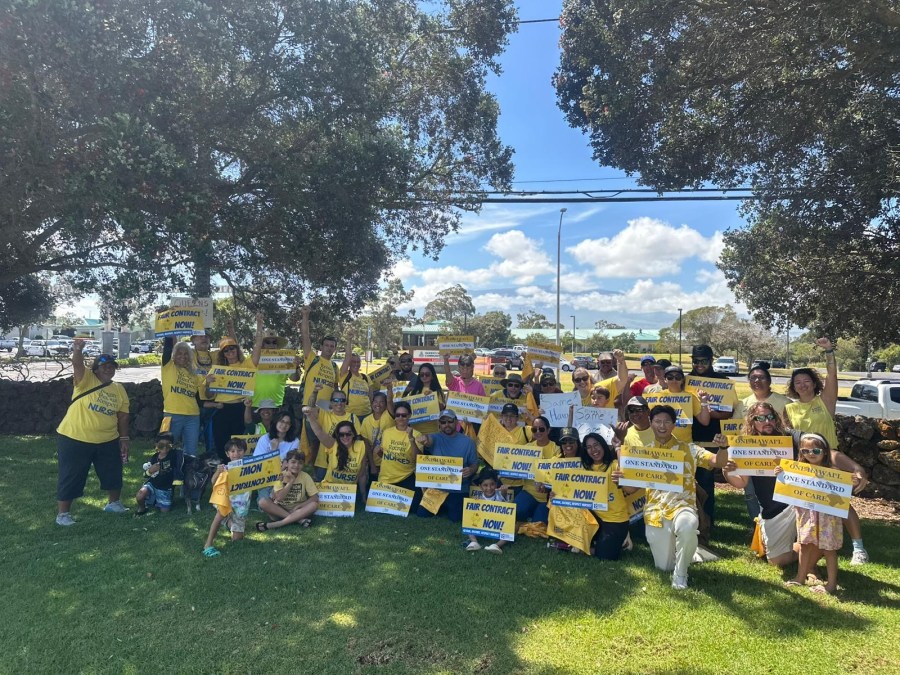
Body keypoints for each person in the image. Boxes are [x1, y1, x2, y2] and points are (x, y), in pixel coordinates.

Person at [613, 405, 727, 590]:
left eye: (667, 421)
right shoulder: (644, 453)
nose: (662, 426)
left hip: (683, 505)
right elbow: (630, 488)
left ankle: (681, 574)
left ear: (674, 425)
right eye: (658, 421)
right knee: (664, 566)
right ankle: (691, 552)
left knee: (687, 527)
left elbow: (718, 461)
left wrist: (723, 447)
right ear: (651, 424)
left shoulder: (690, 449)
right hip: (656, 513)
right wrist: (621, 478)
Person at [785, 337, 869, 564]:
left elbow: (832, 377)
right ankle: (812, 545)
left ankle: (859, 549)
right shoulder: (789, 408)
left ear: (814, 383)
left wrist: (829, 352)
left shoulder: (825, 401)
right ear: (793, 386)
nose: (802, 385)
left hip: (829, 458)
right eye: (797, 382)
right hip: (804, 464)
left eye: (806, 381)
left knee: (840, 503)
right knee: (806, 506)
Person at [56, 341, 131, 526]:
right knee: (72, 475)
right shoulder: (86, 380)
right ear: (96, 369)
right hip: (75, 437)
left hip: (107, 439)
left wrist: (124, 438)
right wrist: (77, 350)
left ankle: (114, 503)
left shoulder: (118, 389)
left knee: (113, 472)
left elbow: (123, 416)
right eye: (104, 366)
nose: (109, 369)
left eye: (112, 366)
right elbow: (77, 364)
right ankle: (63, 514)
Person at [780, 434, 852, 594]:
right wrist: (780, 474)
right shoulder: (797, 470)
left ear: (825, 451)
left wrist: (851, 481)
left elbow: (841, 493)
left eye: (816, 450)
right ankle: (800, 578)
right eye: (805, 451)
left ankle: (831, 584)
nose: (811, 454)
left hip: (828, 518)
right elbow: (787, 487)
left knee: (829, 549)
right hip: (806, 515)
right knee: (805, 545)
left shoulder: (834, 472)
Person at [688, 344, 732, 532]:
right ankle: (690, 520)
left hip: (711, 440)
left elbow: (727, 413)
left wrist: (704, 412)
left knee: (706, 483)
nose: (699, 364)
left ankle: (707, 523)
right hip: (688, 439)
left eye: (704, 361)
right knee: (687, 482)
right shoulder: (686, 380)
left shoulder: (723, 381)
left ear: (711, 360)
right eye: (696, 361)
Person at [414, 409, 478, 522]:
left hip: (458, 489)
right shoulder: (435, 437)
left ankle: (445, 506)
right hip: (437, 489)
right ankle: (442, 506)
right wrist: (425, 439)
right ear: (439, 424)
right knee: (422, 514)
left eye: (450, 421)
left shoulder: (468, 442)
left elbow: (475, 464)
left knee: (456, 518)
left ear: (456, 421)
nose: (446, 425)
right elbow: (428, 440)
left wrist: (471, 470)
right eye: (443, 422)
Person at [298, 305, 338, 466]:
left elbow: (335, 389)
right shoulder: (312, 359)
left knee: (323, 442)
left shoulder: (334, 366)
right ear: (321, 347)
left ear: (335, 349)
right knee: (309, 442)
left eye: (332, 346)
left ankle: (319, 470)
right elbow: (305, 336)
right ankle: (308, 470)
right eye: (326, 345)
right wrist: (305, 316)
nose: (329, 348)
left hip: (326, 411)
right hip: (311, 407)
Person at [582, 433, 630, 560]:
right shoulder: (585, 468)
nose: (593, 450)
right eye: (589, 447)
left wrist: (618, 447)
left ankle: (620, 542)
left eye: (596, 445)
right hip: (593, 517)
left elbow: (626, 469)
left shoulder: (614, 465)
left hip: (615, 520)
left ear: (603, 445)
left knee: (604, 556)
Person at [206, 333, 252, 462]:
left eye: (232, 348)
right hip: (222, 408)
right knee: (221, 441)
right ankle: (224, 468)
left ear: (237, 349)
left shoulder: (245, 365)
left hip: (240, 407)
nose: (230, 351)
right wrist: (208, 383)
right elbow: (209, 395)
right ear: (223, 354)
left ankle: (239, 467)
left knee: (239, 441)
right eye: (226, 350)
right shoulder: (217, 370)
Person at [202, 438, 251, 556]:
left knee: (237, 538)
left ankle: (228, 522)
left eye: (239, 450)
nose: (236, 454)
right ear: (227, 454)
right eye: (232, 451)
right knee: (219, 517)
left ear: (244, 452)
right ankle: (208, 544)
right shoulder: (225, 468)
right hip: (226, 501)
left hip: (241, 506)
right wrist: (218, 472)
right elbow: (213, 482)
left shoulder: (250, 467)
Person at [160, 338, 205, 459]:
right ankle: (162, 470)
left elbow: (201, 396)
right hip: (172, 414)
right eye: (179, 353)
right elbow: (167, 347)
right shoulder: (168, 366)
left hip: (192, 416)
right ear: (174, 355)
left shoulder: (195, 374)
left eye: (186, 354)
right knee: (165, 448)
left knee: (191, 452)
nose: (183, 356)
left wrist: (209, 382)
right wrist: (170, 331)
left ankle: (187, 470)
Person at [307, 412, 369, 499]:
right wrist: (310, 416)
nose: (345, 437)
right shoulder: (332, 444)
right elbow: (319, 432)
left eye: (348, 434)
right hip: (330, 489)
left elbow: (362, 474)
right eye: (341, 434)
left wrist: (363, 496)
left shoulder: (361, 446)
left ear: (353, 434)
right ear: (337, 435)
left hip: (348, 492)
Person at [256, 449, 318, 531]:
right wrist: (291, 481)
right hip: (280, 510)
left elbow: (314, 498)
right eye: (293, 462)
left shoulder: (305, 476)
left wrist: (299, 506)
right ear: (287, 463)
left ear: (303, 465)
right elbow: (279, 498)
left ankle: (275, 524)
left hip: (298, 510)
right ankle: (299, 520)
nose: (296, 465)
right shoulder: (280, 475)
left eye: (300, 463)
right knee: (262, 502)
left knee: (314, 505)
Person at [307, 385, 358, 482]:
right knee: (321, 489)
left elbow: (357, 440)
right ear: (331, 402)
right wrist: (315, 392)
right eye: (336, 400)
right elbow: (310, 407)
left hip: (345, 462)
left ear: (346, 402)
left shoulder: (353, 417)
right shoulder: (324, 414)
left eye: (342, 400)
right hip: (324, 463)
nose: (339, 403)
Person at [250, 313, 301, 408]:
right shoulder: (255, 358)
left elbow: (295, 379)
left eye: (274, 342)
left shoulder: (285, 360)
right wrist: (259, 324)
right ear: (262, 344)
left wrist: (296, 366)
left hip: (276, 405)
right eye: (268, 342)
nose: (271, 345)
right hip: (255, 404)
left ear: (277, 345)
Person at [373, 400, 421, 499]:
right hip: (387, 478)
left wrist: (411, 439)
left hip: (406, 477)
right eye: (397, 415)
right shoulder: (387, 432)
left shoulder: (417, 434)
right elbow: (385, 455)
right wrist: (379, 453)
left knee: (413, 505)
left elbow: (417, 459)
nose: (400, 418)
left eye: (404, 415)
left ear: (409, 415)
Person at [465, 468, 508, 554]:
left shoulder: (500, 495)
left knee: (512, 527)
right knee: (468, 519)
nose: (489, 488)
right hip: (484, 526)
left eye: (492, 484)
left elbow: (506, 508)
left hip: (498, 526)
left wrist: (504, 492)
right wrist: (475, 504)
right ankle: (474, 542)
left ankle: (496, 545)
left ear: (496, 484)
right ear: (480, 486)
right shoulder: (479, 498)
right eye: (485, 485)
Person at [398, 362, 446, 434]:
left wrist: (433, 399)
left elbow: (442, 409)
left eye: (427, 374)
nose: (424, 376)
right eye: (421, 374)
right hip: (415, 431)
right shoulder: (414, 391)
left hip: (431, 431)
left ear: (432, 376)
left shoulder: (438, 391)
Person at [135, 435, 178, 515]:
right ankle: (142, 508)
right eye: (161, 445)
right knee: (140, 495)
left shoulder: (173, 456)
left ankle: (158, 500)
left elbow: (172, 465)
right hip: (152, 483)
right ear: (156, 445)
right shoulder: (154, 457)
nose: (164, 448)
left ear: (172, 446)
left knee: (164, 512)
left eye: (168, 445)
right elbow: (145, 475)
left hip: (165, 488)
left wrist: (160, 467)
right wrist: (150, 471)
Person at [360, 391, 394, 483]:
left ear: (386, 405)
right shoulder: (366, 420)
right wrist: (372, 465)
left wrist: (389, 388)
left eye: (382, 402)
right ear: (371, 403)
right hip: (375, 462)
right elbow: (366, 444)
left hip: (390, 462)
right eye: (375, 401)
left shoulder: (389, 415)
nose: (378, 404)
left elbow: (390, 400)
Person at [339, 344, 373, 419]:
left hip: (366, 413)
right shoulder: (344, 375)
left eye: (358, 362)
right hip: (350, 414)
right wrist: (349, 340)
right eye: (353, 362)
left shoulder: (366, 377)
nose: (356, 364)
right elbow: (347, 357)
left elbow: (371, 395)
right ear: (349, 363)